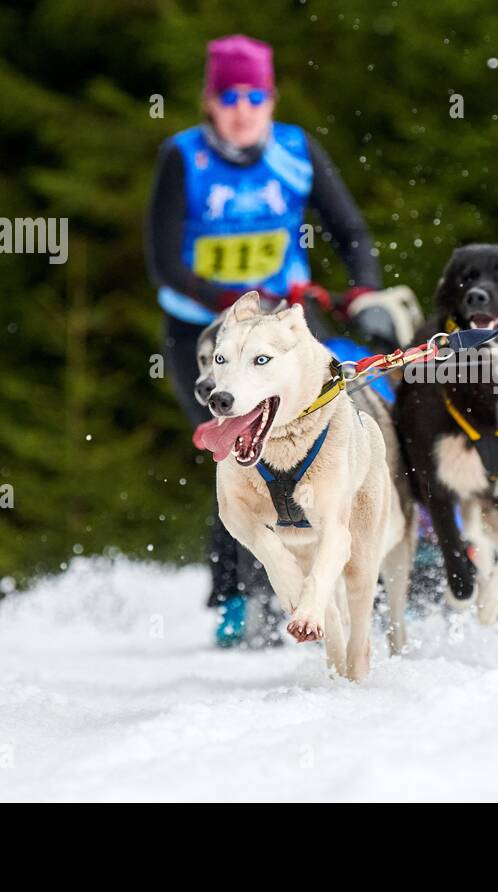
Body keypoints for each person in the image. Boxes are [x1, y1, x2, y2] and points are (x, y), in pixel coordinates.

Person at [146, 34, 401, 648]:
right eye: (228, 96)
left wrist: (364, 290)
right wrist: (231, 306)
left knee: (361, 403)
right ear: (210, 102)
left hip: (284, 334)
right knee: (238, 446)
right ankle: (236, 595)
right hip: (203, 330)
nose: (241, 108)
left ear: (270, 98)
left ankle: (397, 541)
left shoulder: (294, 150)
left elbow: (350, 232)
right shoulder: (183, 157)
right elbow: (163, 260)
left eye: (253, 95)